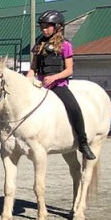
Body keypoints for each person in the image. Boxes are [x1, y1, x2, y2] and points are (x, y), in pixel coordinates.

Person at [27, 10, 96, 160]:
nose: (44, 29)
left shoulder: (65, 45)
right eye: (42, 27)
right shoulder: (39, 45)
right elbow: (33, 67)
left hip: (58, 84)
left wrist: (54, 78)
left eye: (47, 26)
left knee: (74, 108)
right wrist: (29, 77)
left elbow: (69, 69)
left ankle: (83, 143)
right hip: (40, 84)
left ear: (57, 27)